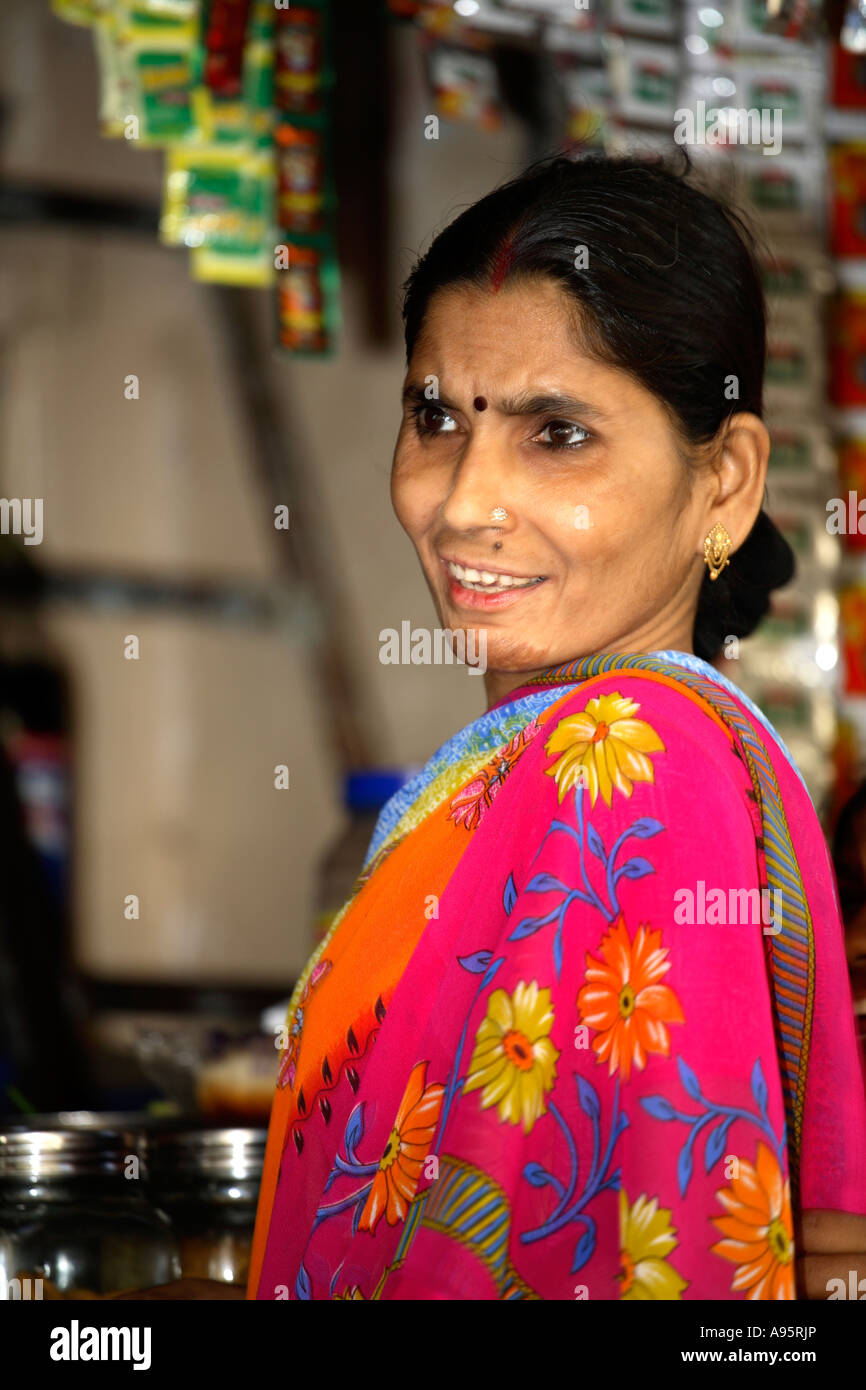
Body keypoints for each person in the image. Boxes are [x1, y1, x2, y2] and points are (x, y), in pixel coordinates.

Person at [135, 150, 866, 1301]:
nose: (463, 501)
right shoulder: (559, 761)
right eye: (435, 417)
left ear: (721, 482)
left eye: (555, 433)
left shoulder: (632, 761)